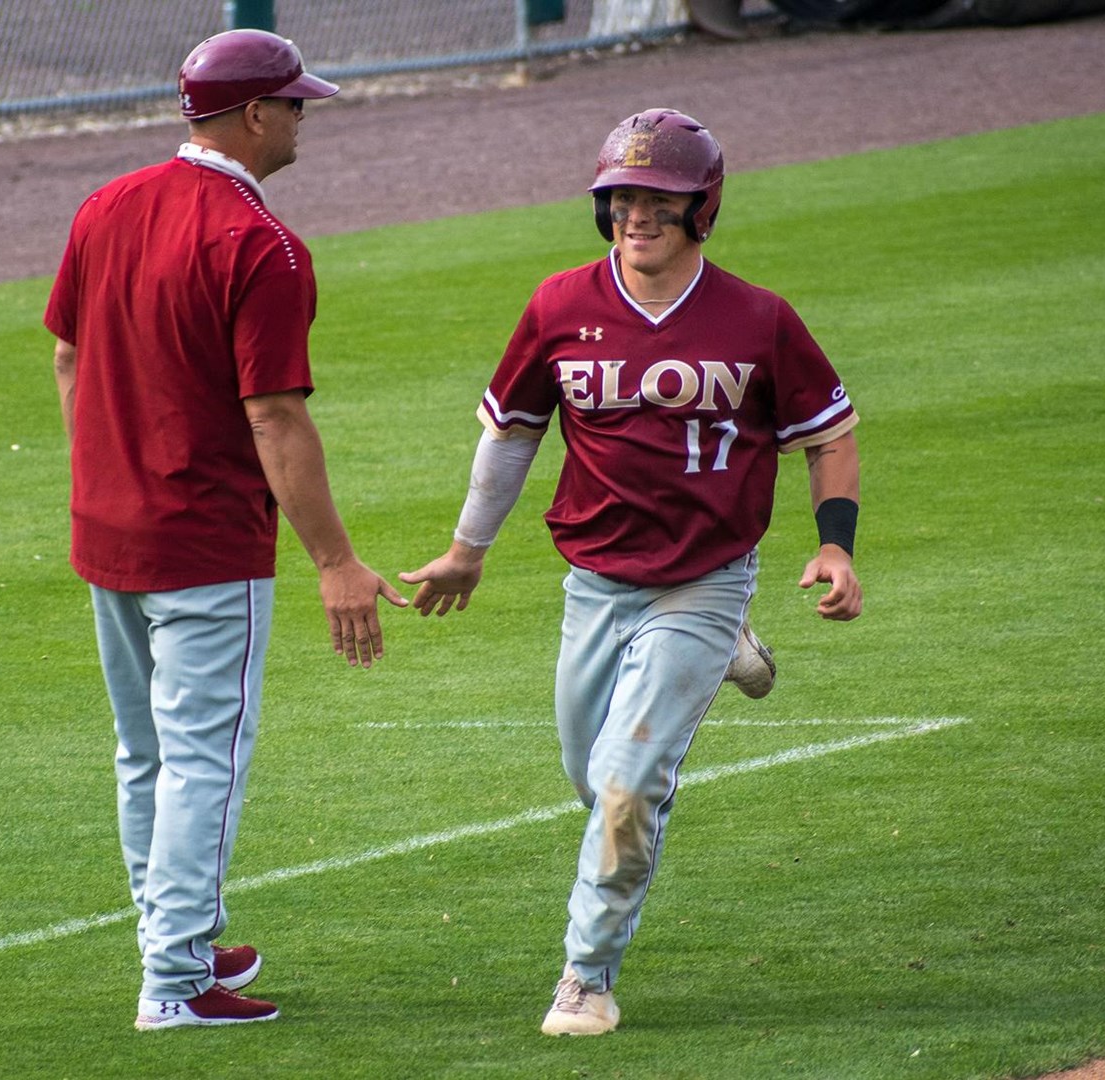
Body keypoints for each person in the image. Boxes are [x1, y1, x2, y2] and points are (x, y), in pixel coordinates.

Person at [399, 108, 864, 1036]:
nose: (636, 216)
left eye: (659, 200)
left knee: (625, 786)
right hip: (596, 586)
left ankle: (587, 976)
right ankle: (722, 657)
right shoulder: (558, 306)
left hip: (703, 579)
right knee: (591, 779)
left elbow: (829, 433)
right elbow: (512, 435)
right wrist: (467, 550)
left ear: (703, 208)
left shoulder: (758, 318)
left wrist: (835, 544)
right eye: (620, 198)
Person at [44, 28, 405, 1031]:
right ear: (253, 115)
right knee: (204, 757)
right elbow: (274, 416)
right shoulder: (261, 245)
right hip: (204, 543)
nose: (301, 120)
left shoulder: (107, 204)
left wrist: (107, 472)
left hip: (108, 529)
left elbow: (69, 357)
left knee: (145, 754)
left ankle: (180, 938)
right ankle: (174, 983)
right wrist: (335, 560)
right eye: (293, 104)